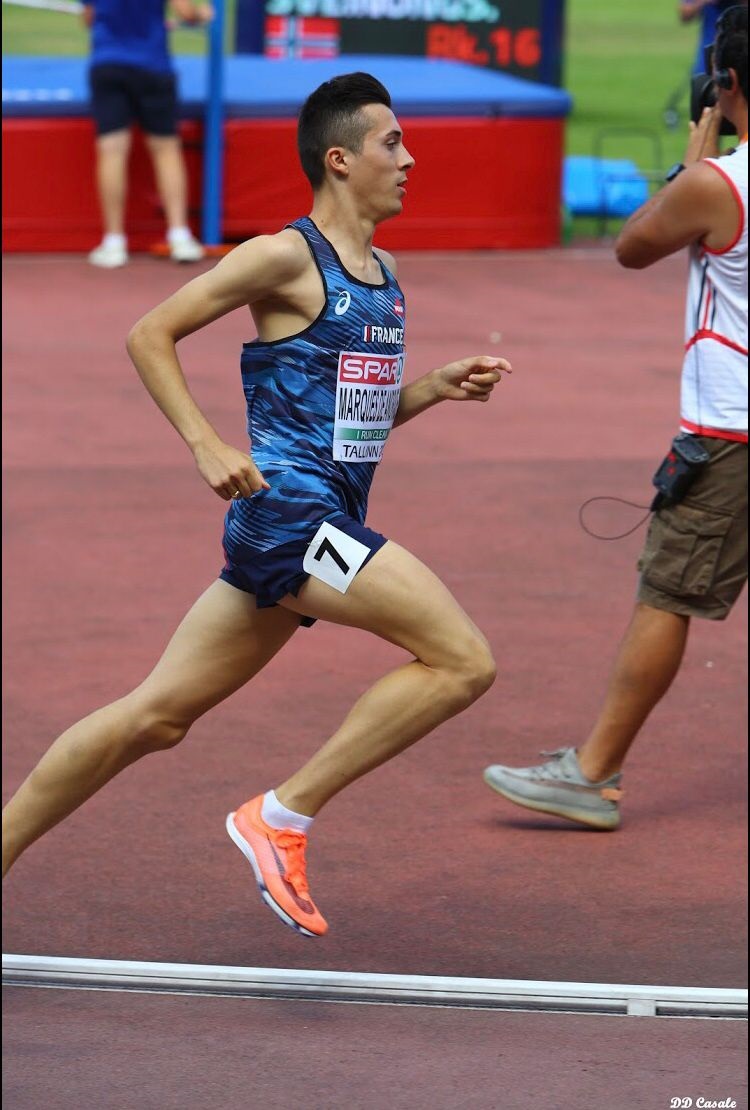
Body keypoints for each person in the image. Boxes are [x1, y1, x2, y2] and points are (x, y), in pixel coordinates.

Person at [2, 73, 511, 938]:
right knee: (463, 661)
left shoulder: (384, 274)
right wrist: (205, 441)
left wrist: (427, 389)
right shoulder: (284, 254)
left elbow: (347, 420)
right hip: (294, 522)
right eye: (393, 143)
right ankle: (283, 815)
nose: (410, 157)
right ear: (339, 158)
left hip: (307, 525)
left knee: (153, 718)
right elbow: (147, 332)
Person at [484, 6, 747, 831]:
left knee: (667, 594)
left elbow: (635, 244)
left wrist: (698, 148)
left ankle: (591, 774)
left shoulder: (718, 184)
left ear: (727, 82)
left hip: (729, 432)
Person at [84, 0, 211, 268]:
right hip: (152, 66)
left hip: (108, 64)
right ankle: (179, 236)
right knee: (165, 149)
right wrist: (204, 13)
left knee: (111, 150)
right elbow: (186, 12)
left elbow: (88, 17)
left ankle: (113, 241)